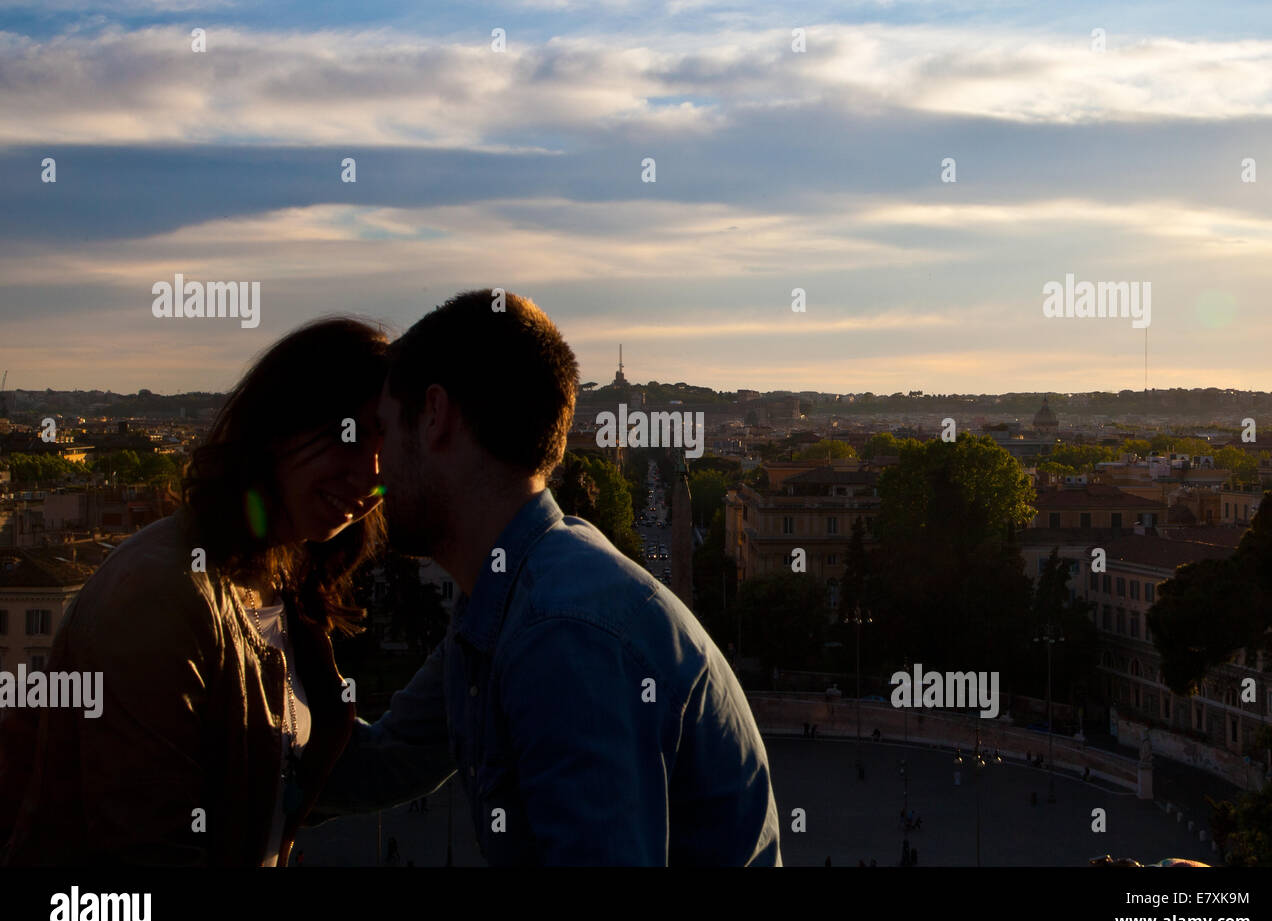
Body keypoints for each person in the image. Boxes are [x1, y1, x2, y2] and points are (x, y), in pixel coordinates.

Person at [313, 290, 781, 865]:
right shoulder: (514, 593)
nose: (373, 471)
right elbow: (377, 764)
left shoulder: (560, 630)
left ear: (434, 416)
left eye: (382, 431)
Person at [0, 318, 388, 866]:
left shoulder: (281, 585)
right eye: (350, 435)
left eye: (389, 446)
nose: (370, 476)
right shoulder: (161, 593)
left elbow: (353, 765)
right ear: (279, 424)